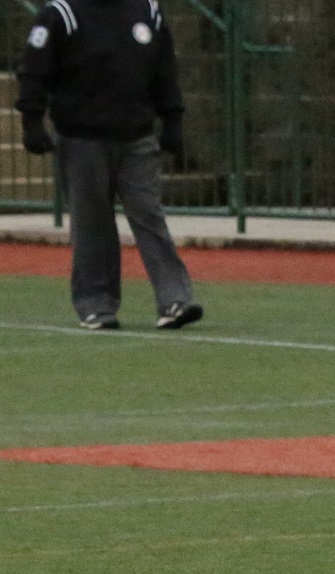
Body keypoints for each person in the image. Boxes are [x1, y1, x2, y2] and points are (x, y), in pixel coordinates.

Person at [14, 0, 203, 331]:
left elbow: (164, 69)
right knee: (92, 222)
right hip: (82, 138)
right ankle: (95, 303)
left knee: (149, 214)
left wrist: (172, 119)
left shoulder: (148, 10)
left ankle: (175, 299)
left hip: (137, 136)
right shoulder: (62, 14)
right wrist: (32, 121)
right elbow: (34, 69)